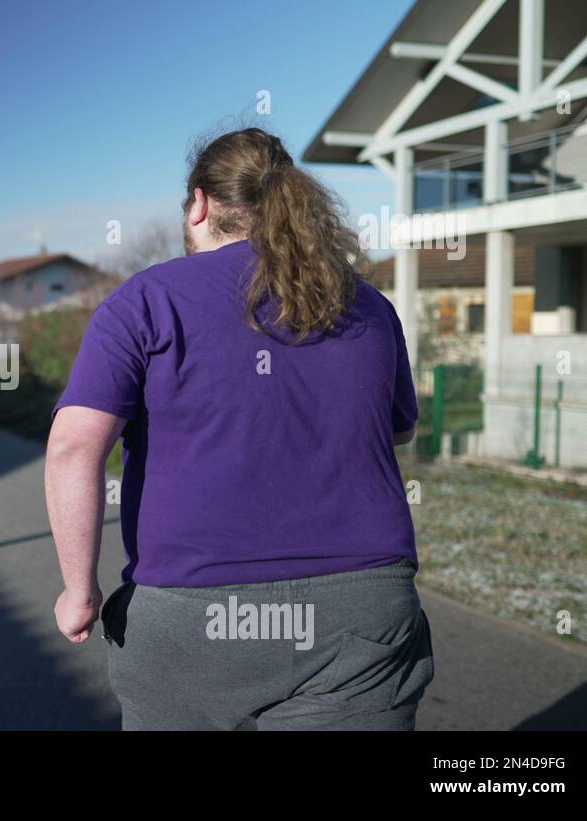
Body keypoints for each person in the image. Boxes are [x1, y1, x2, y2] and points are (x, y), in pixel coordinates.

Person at [44, 127, 434, 730]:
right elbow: (398, 430)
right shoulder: (365, 304)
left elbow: (73, 448)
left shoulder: (147, 299)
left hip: (190, 616)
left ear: (199, 205)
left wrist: (79, 591)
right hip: (360, 611)